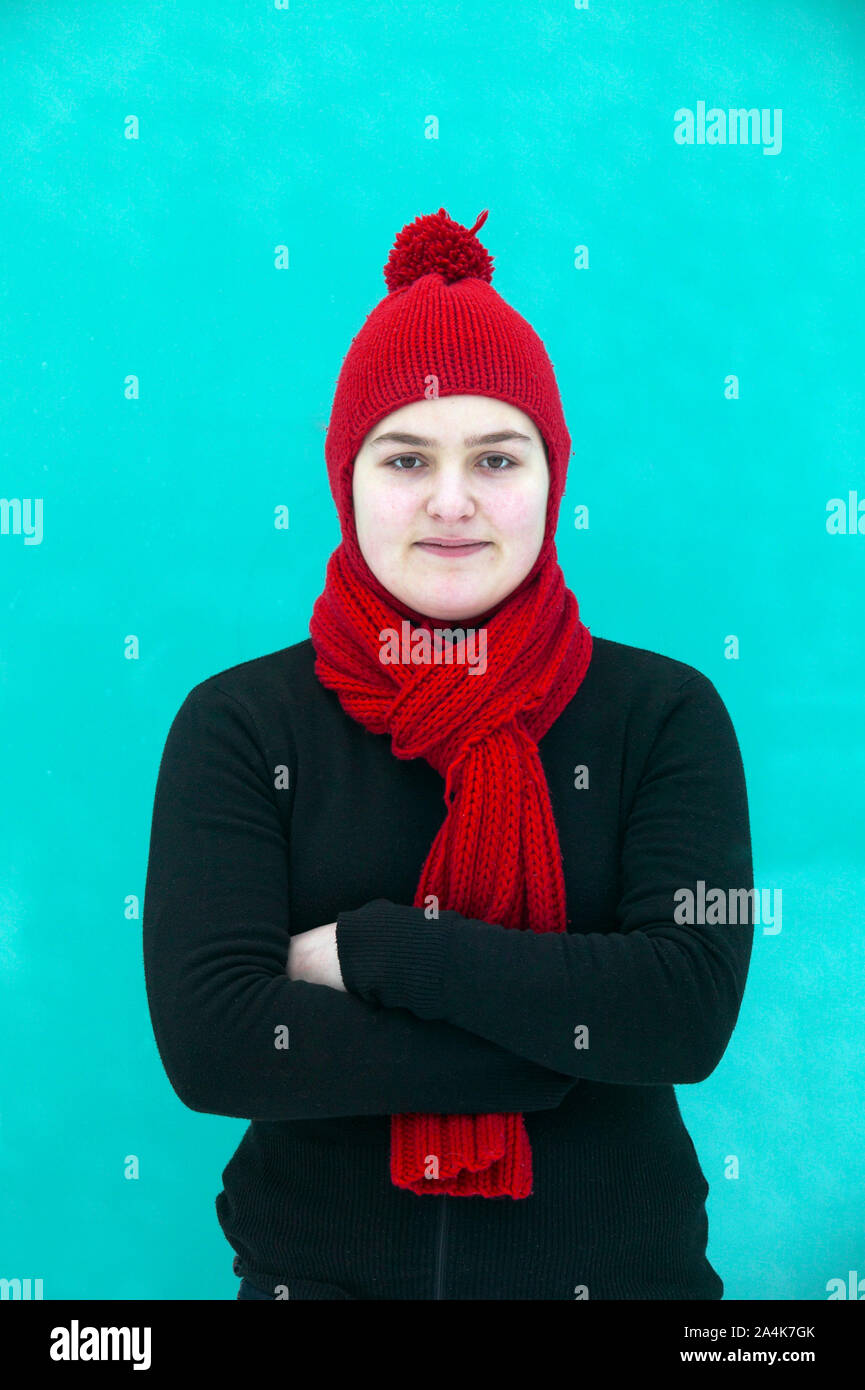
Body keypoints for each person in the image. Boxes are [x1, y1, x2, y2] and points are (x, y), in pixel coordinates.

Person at [142, 207, 754, 1300]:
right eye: (407, 455)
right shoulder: (241, 724)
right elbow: (217, 1047)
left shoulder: (659, 714)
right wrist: (571, 1038)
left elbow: (685, 1015)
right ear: (348, 478)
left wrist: (379, 954)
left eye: (496, 455)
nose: (453, 499)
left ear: (549, 477)